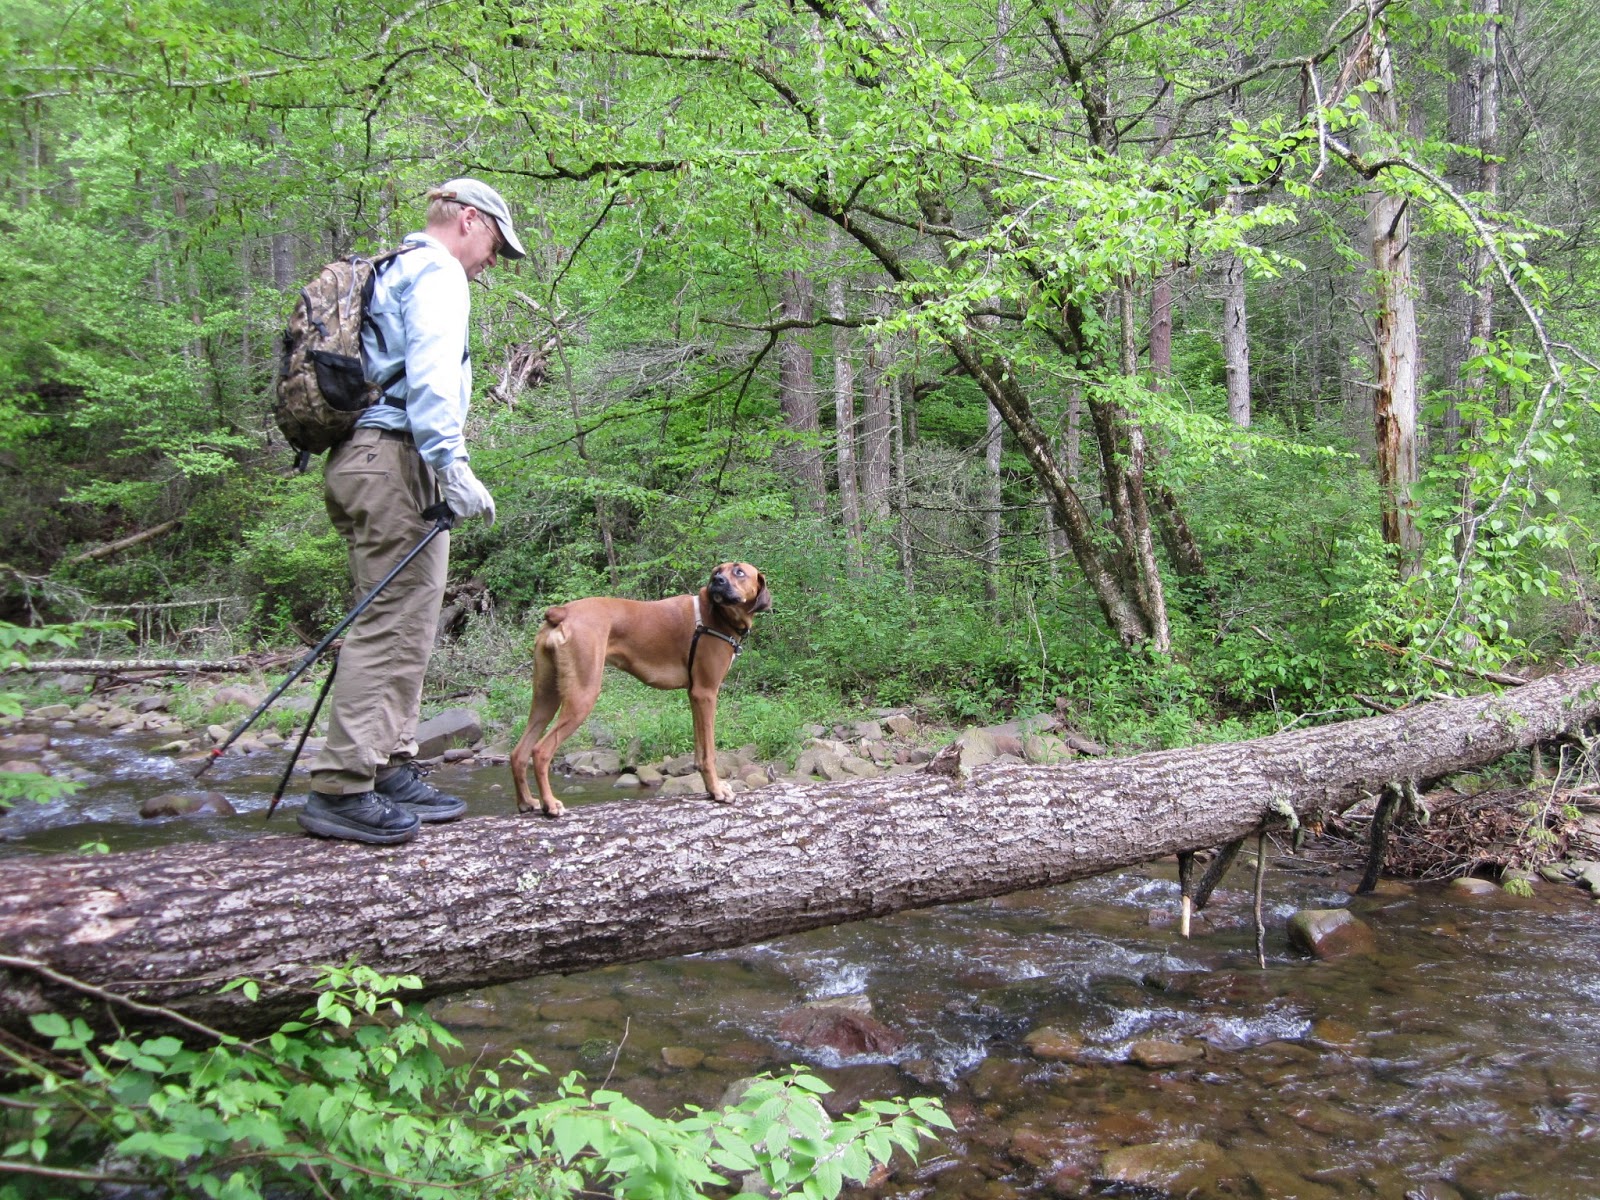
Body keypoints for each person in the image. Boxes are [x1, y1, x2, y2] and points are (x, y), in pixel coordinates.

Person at [297, 178, 526, 845]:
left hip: (373, 460)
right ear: (470, 221)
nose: (492, 263)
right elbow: (428, 377)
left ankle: (390, 764)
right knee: (390, 624)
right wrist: (451, 465)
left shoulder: (395, 268)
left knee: (411, 621)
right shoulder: (435, 272)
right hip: (395, 459)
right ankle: (341, 787)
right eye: (495, 246)